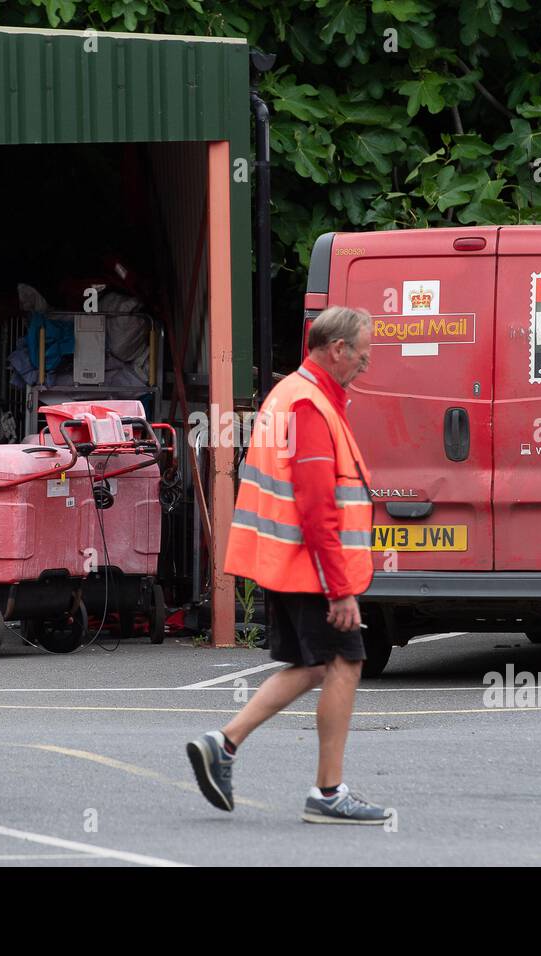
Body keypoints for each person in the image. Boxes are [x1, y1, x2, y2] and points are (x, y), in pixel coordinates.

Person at [186, 305, 390, 825]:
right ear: (337, 349)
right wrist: (340, 589)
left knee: (311, 665)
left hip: (289, 563)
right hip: (312, 568)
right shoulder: (309, 406)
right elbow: (319, 507)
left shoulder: (293, 394)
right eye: (363, 353)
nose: (367, 363)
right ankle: (328, 793)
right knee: (345, 663)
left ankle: (223, 744)